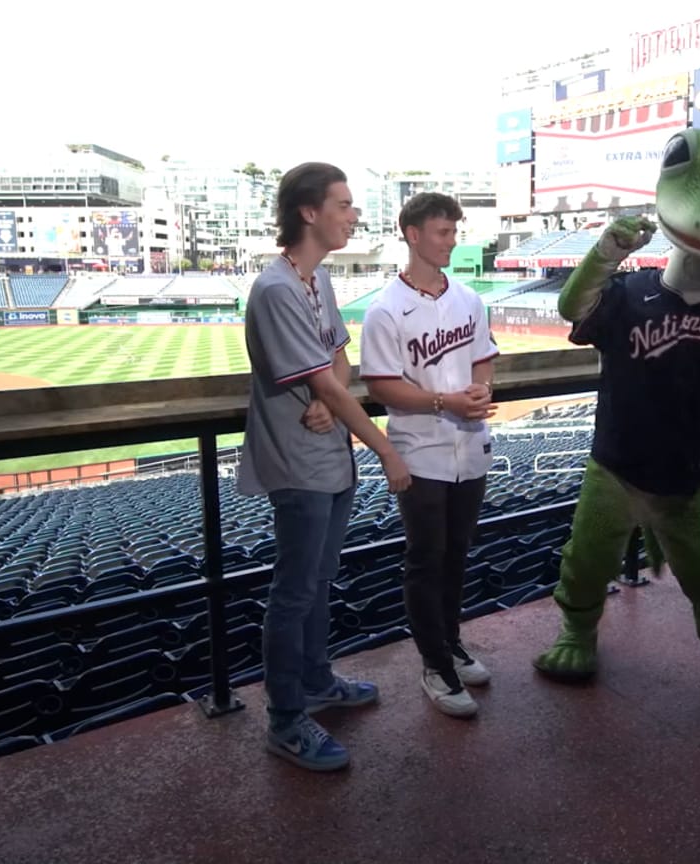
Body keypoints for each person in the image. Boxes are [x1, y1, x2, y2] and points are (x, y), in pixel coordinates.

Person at [236, 161, 413, 772]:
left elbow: (338, 364)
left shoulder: (317, 278)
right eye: (343, 203)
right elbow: (331, 382)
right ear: (309, 212)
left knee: (315, 583)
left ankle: (316, 682)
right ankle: (286, 720)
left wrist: (325, 397)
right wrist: (385, 448)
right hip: (297, 464)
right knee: (293, 593)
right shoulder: (277, 288)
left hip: (330, 455)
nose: (353, 214)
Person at [360, 192, 499, 718]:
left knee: (458, 553)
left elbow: (483, 358)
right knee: (426, 558)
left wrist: (482, 389)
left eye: (454, 231)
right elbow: (381, 386)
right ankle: (434, 664)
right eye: (443, 232)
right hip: (419, 450)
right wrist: (445, 401)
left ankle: (451, 643)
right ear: (413, 235)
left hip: (470, 444)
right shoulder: (385, 309)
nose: (452, 241)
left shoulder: (468, 299)